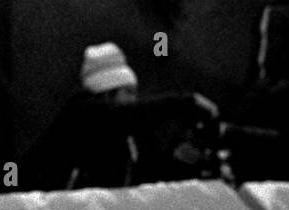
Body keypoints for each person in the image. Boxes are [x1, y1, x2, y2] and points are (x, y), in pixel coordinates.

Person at [23, 42, 220, 190]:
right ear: (107, 93)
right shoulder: (81, 114)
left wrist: (177, 161)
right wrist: (187, 102)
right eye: (128, 92)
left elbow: (147, 179)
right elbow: (125, 116)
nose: (135, 99)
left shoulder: (131, 137)